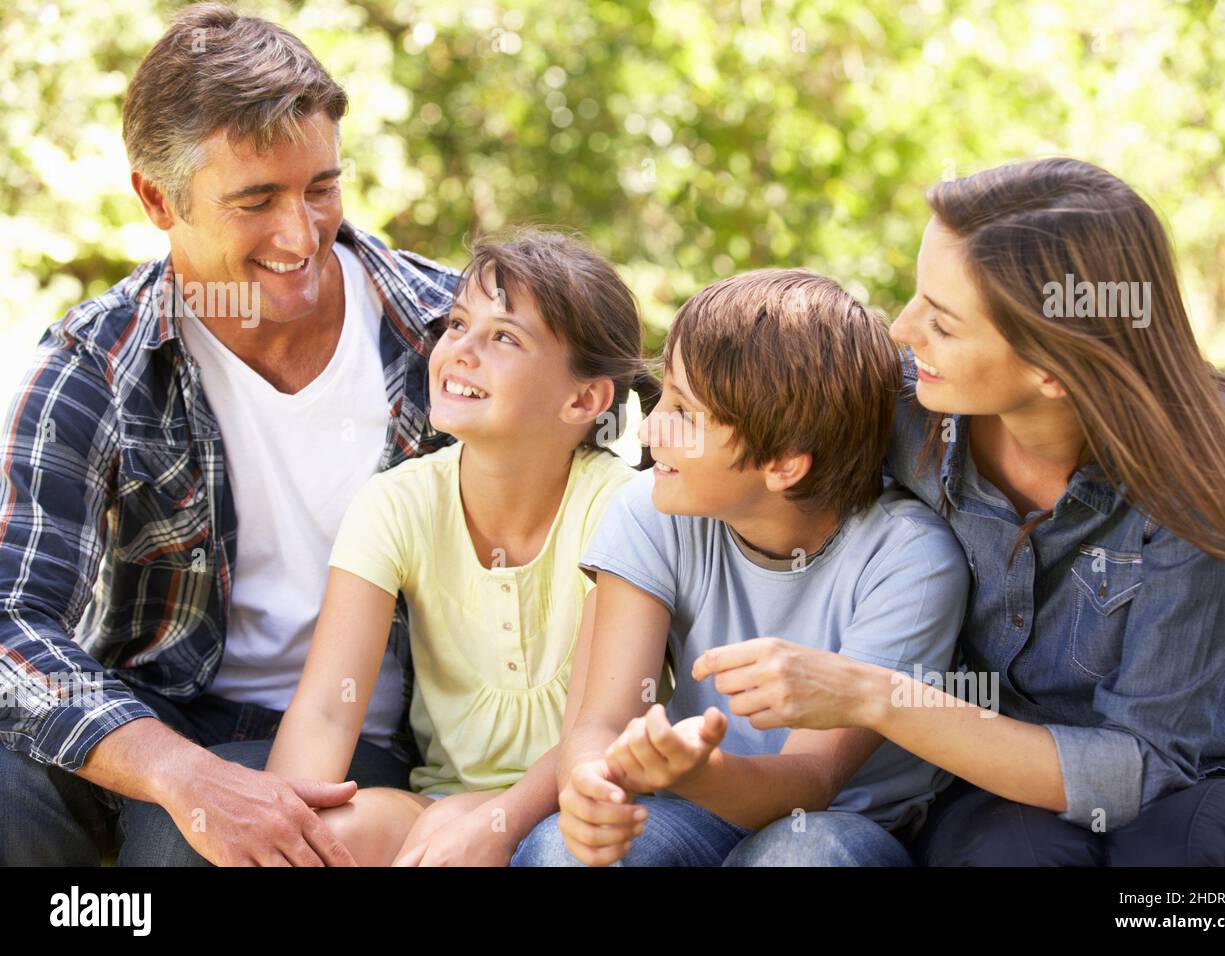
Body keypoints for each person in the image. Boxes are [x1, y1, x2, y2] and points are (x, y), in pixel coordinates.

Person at [693, 157, 1225, 866]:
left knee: (1176, 870)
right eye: (916, 297)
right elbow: (732, 432)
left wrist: (873, 695)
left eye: (943, 324)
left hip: (1212, 773)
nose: (902, 331)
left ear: (1053, 369)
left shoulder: (1199, 453)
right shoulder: (900, 412)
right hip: (992, 782)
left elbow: (1144, 767)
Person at [0, 4, 461, 866]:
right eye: (256, 200)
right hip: (150, 714)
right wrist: (174, 768)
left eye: (321, 187)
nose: (302, 234)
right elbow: (10, 615)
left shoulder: (450, 334)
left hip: (351, 736)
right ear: (156, 199)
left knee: (178, 853)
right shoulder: (98, 362)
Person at [511, 268, 971, 867]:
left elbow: (812, 779)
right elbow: (598, 722)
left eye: (684, 413)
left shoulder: (911, 560)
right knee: (560, 851)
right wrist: (594, 787)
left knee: (803, 857)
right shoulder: (652, 509)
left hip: (839, 823)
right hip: (688, 811)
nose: (651, 430)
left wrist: (703, 772)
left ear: (782, 464)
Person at [265, 230, 655, 866]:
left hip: (586, 804)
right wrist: (283, 832)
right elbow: (326, 715)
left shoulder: (619, 511)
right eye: (457, 324)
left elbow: (597, 733)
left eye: (504, 337)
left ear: (583, 399)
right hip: (440, 799)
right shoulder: (395, 503)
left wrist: (495, 822)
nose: (460, 351)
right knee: (328, 838)